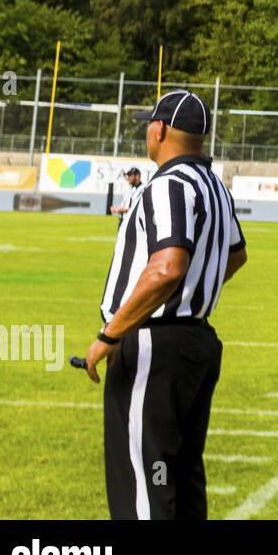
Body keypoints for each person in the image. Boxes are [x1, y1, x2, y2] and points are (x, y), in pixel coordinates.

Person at [80, 90, 248, 519]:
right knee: (178, 474)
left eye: (147, 125)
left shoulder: (168, 184)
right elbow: (235, 255)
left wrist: (109, 334)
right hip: (197, 343)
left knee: (142, 481)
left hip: (155, 345)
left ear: (160, 130)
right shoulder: (214, 186)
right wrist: (195, 290)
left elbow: (167, 268)